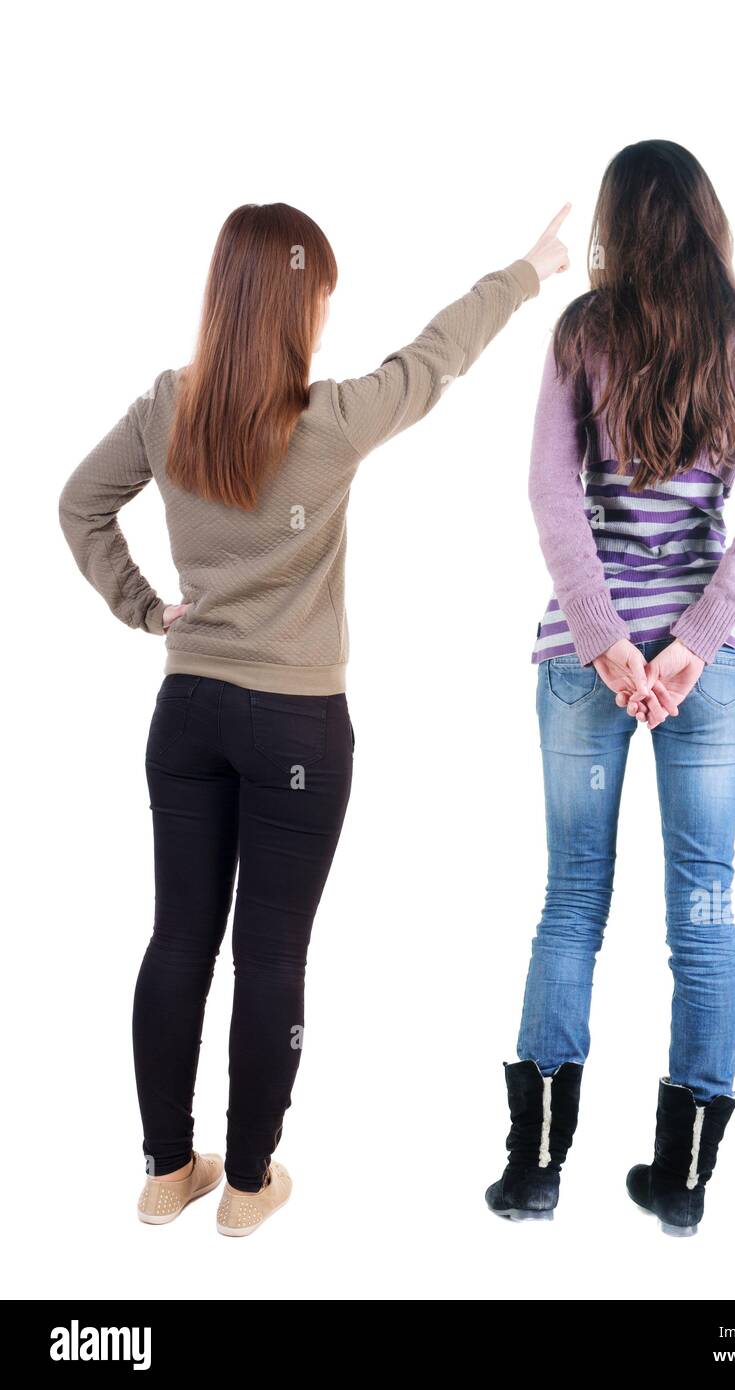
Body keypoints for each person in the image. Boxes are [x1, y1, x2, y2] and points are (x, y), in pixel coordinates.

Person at [59, 200, 570, 1236]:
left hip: (187, 712)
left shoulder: (168, 406)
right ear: (299, 303)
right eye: (323, 295)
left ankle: (167, 1171)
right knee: (273, 954)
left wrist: (147, 609)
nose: (330, 313)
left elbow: (80, 503)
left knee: (178, 940)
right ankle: (246, 1183)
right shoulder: (332, 420)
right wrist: (527, 270)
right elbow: (437, 356)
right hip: (295, 726)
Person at [485, 141, 735, 1235]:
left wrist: (607, 641)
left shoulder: (584, 333)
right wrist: (692, 642)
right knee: (703, 908)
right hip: (705, 674)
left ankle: (533, 1169)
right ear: (707, 220)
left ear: (621, 221)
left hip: (584, 663)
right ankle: (685, 1181)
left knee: (571, 898)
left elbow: (549, 492)